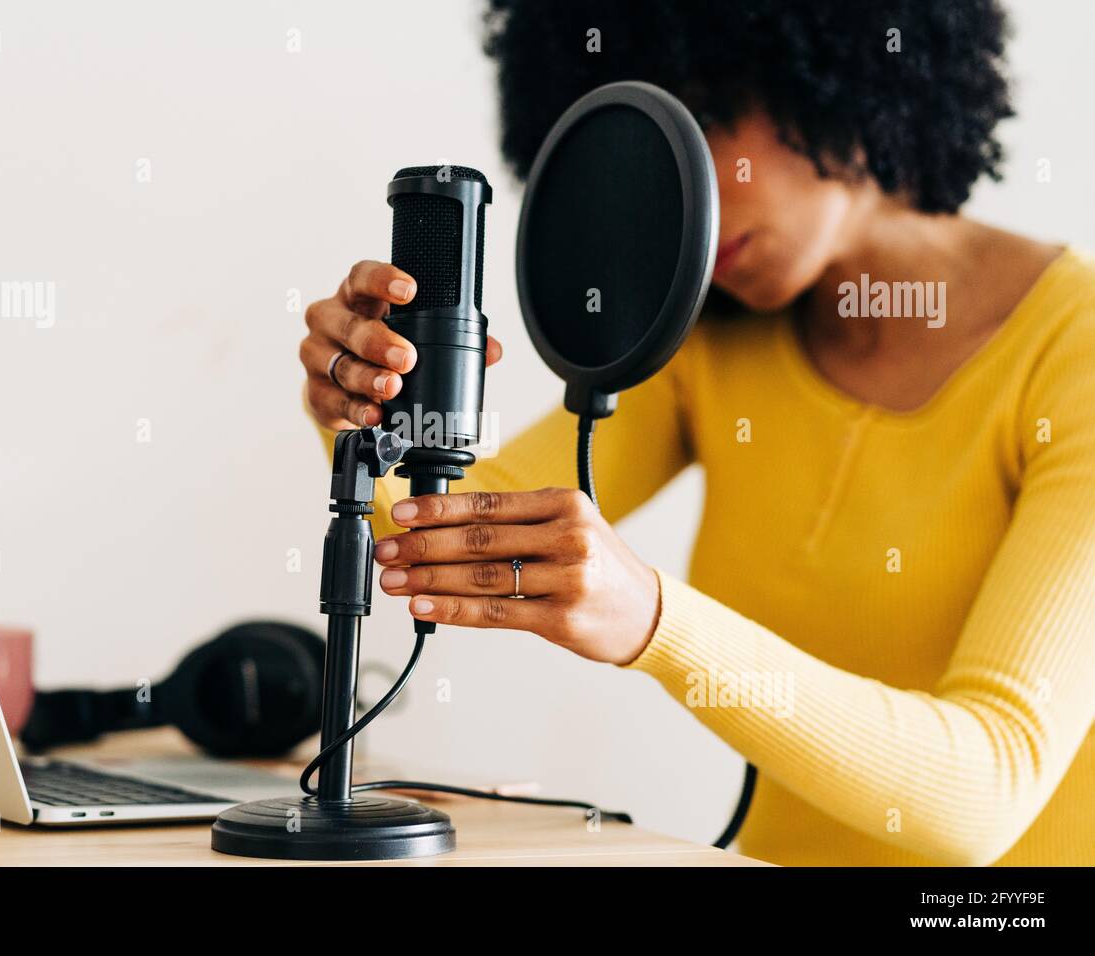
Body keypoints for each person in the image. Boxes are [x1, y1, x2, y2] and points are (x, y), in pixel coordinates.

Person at [297, 0, 1095, 865]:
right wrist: (368, 414)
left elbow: (985, 790)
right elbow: (448, 531)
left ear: (847, 74)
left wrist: (654, 621)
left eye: (711, 115)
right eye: (651, 138)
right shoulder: (705, 337)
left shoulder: (1072, 355)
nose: (688, 183)